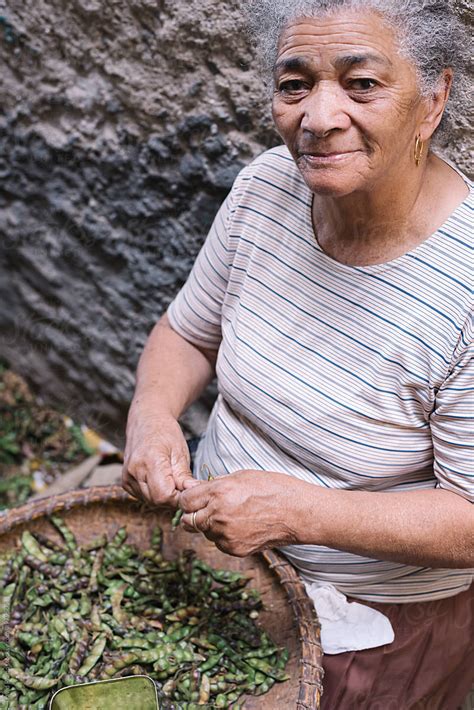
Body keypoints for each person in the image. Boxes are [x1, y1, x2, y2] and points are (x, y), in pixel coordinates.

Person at [122, 1, 473, 707]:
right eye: (294, 84)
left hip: (372, 625)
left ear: (433, 98)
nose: (318, 117)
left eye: (361, 84)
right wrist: (153, 418)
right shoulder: (267, 187)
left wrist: (303, 514)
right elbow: (188, 333)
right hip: (221, 565)